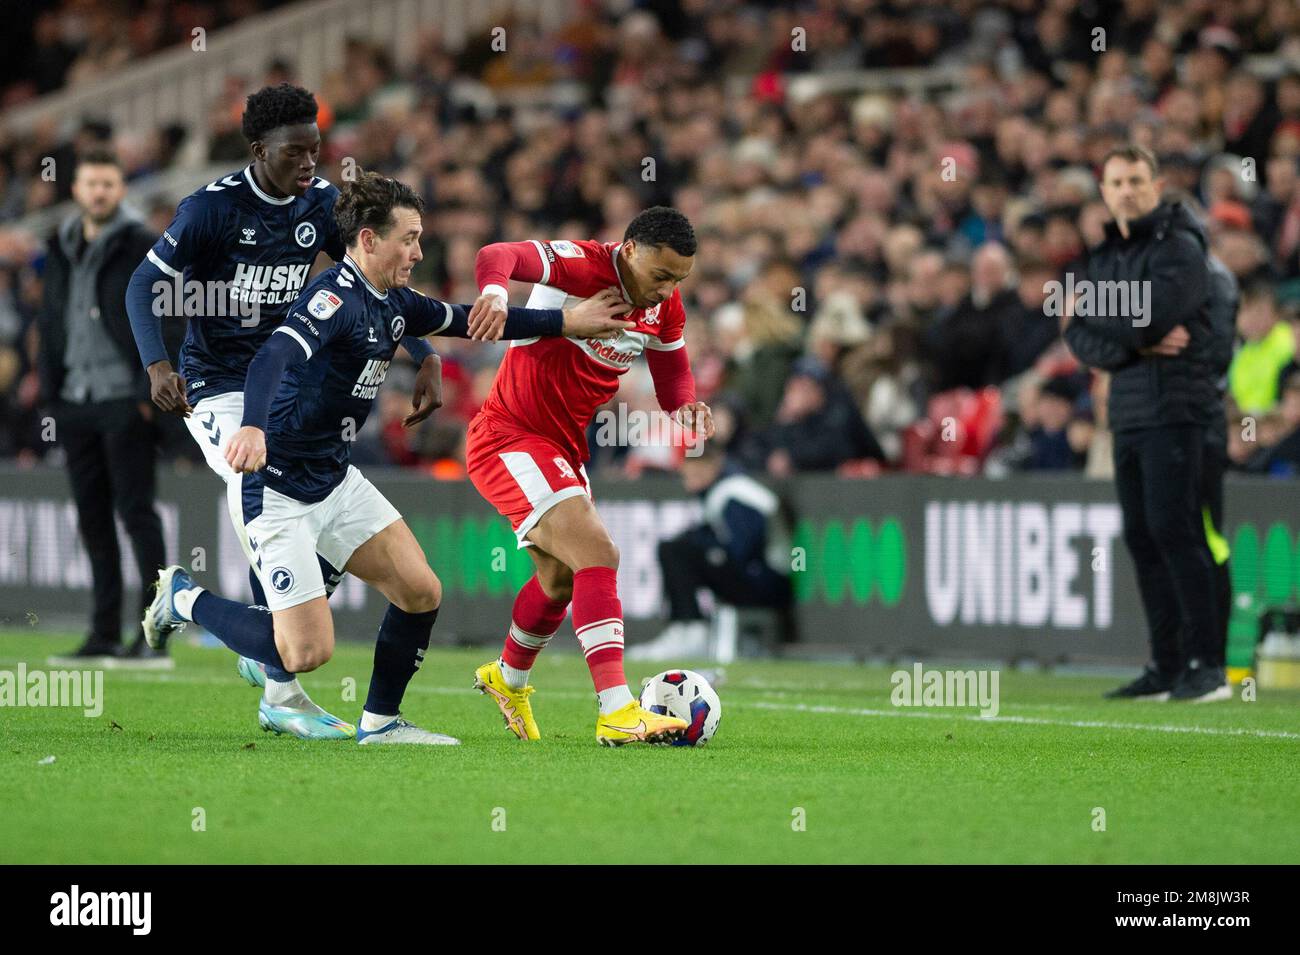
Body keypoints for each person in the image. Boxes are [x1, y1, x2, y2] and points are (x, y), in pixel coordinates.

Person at [141, 171, 633, 743]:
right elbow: (270, 356)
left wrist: (567, 322)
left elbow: (468, 320)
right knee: (304, 650)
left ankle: (379, 722)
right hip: (277, 487)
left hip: (334, 479)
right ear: (369, 240)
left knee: (422, 590)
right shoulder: (333, 300)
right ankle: (185, 598)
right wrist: (251, 426)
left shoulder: (393, 300)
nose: (419, 251)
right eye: (409, 238)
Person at [126, 84, 443, 732]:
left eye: (316, 149)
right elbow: (142, 282)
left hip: (289, 372)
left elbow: (368, 280)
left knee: (306, 486)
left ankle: (271, 645)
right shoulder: (210, 210)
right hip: (216, 383)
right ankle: (216, 623)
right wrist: (157, 363)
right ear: (256, 149)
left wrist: (416, 348)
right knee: (261, 480)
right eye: (294, 152)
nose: (308, 163)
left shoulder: (321, 203)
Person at [465, 207, 714, 745]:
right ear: (629, 251)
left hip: (563, 447)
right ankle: (616, 709)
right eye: (661, 275)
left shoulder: (664, 307)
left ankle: (507, 678)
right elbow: (497, 254)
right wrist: (493, 294)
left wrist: (687, 406)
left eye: (679, 280)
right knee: (599, 554)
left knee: (558, 580)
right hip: (510, 436)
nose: (668, 289)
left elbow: (673, 374)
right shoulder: (582, 266)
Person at [1063, 144, 1228, 703]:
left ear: (1157, 186)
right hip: (1128, 412)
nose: (1127, 190)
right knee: (1142, 536)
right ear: (1103, 192)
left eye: (1136, 180)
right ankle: (1166, 665)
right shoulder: (1107, 253)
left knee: (1175, 530)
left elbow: (1148, 315)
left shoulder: (1180, 247)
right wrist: (1133, 343)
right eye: (1116, 182)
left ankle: (1208, 666)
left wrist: (1099, 315)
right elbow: (1077, 330)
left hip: (1177, 410)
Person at [42, 150, 180, 668]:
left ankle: (152, 640)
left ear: (121, 189)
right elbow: (51, 317)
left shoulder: (142, 244)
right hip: (76, 398)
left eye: (108, 183)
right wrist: (51, 388)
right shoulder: (61, 243)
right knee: (93, 519)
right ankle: (101, 632)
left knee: (136, 513)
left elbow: (168, 316)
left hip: (125, 397)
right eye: (90, 183)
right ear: (76, 190)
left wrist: (155, 390)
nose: (99, 192)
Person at [629, 442, 793, 661]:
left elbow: (742, 550)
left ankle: (691, 628)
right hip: (759, 576)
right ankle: (684, 628)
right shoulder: (723, 492)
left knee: (676, 551)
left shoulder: (735, 493)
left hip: (767, 582)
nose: (689, 483)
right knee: (678, 547)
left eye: (695, 474)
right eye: (686, 475)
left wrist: (701, 544)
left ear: (713, 467)